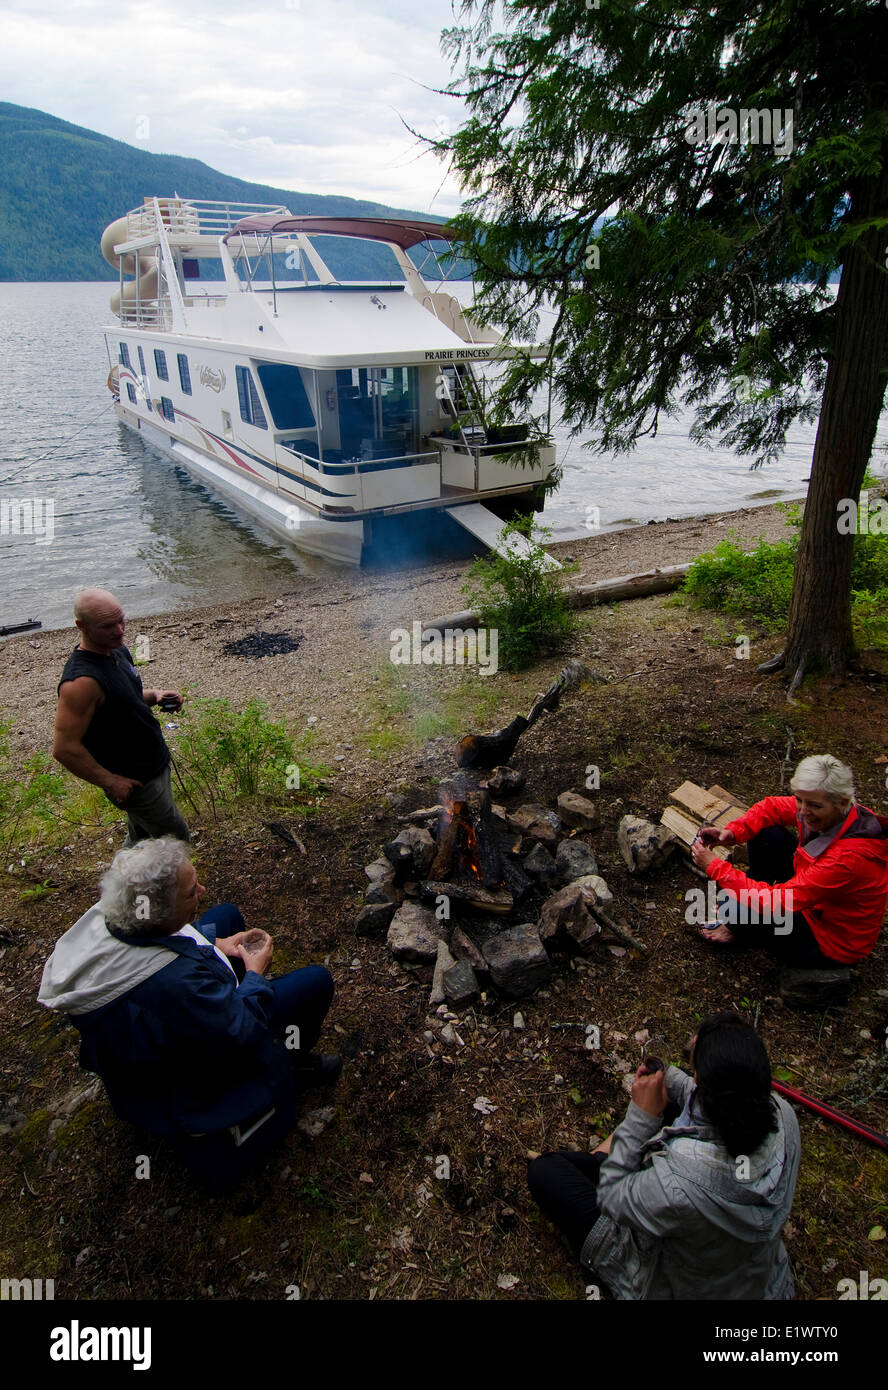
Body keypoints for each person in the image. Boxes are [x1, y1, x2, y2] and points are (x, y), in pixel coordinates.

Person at [38, 837, 341, 1187]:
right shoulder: (175, 986)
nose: (202, 889)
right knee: (315, 982)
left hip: (153, 1032)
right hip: (187, 1064)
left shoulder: (118, 914)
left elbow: (162, 941)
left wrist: (214, 946)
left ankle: (230, 964)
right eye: (190, 892)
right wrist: (255, 974)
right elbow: (239, 1025)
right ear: (159, 911)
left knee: (225, 915)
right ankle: (291, 1061)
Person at [527, 1013, 800, 1300]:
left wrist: (641, 1118)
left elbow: (614, 1198)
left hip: (669, 1280)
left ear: (708, 1093)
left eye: (694, 1071)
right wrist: (669, 1078)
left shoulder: (676, 1181)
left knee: (546, 1172)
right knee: (669, 1107)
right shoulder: (782, 1115)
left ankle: (602, 1160)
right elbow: (709, 1096)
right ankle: (600, 1160)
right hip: (752, 1275)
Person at [691, 754, 888, 966]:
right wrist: (732, 833)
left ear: (841, 803)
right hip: (813, 897)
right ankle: (745, 906)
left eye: (814, 806)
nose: (803, 812)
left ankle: (739, 924)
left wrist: (714, 867)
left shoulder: (849, 858)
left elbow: (778, 904)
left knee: (743, 911)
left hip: (829, 942)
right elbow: (770, 808)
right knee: (765, 832)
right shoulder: (835, 811)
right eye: (799, 800)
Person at [53, 587, 189, 845]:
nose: (120, 630)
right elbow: (64, 748)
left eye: (121, 620)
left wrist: (156, 695)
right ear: (81, 626)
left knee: (142, 838)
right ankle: (179, 886)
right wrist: (111, 782)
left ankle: (120, 884)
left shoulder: (115, 649)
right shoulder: (81, 682)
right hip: (135, 780)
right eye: (107, 626)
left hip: (155, 763)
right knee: (173, 840)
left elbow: (126, 696)